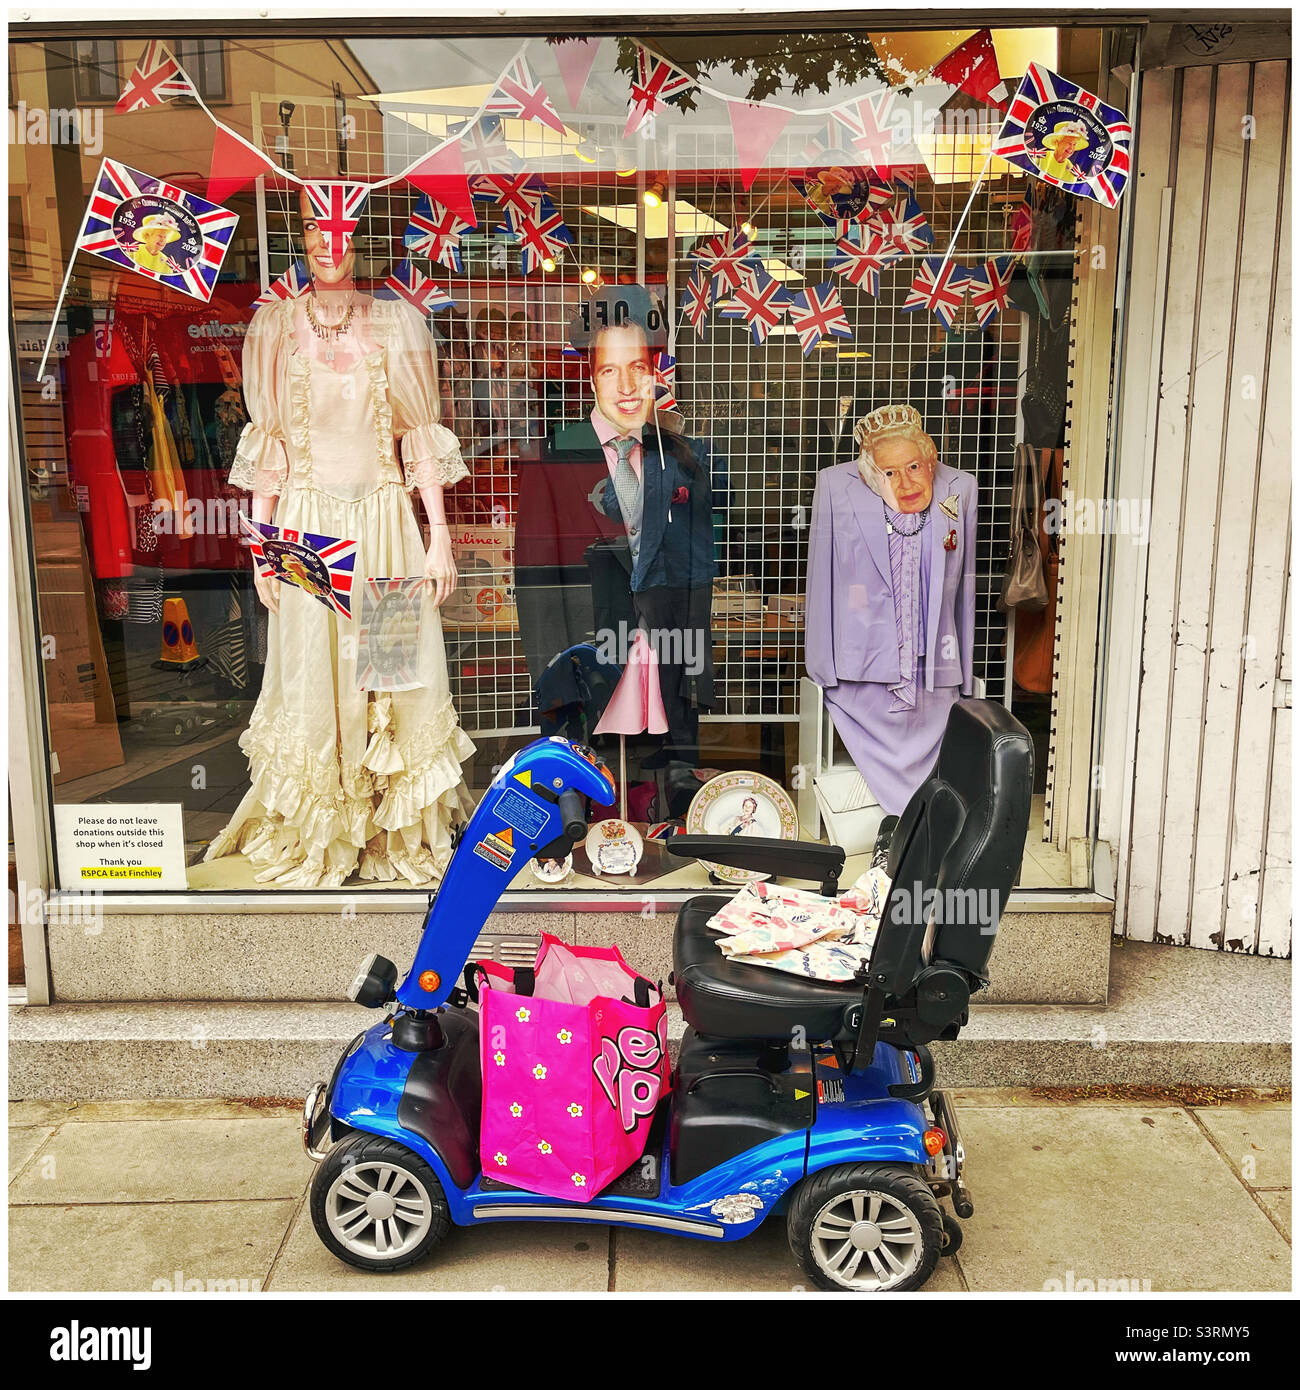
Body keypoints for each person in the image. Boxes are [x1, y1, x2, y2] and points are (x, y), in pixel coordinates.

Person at [205, 191, 474, 888]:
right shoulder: (273, 327)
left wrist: (438, 535)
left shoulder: (397, 324)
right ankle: (322, 834)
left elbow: (417, 434)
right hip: (305, 531)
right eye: (313, 232)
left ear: (359, 239)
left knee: (389, 673)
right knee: (309, 676)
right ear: (301, 239)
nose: (327, 245)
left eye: (341, 231)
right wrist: (263, 542)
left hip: (386, 529)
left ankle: (387, 837)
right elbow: (271, 444)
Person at [804, 403, 976, 815]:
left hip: (932, 670)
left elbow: (963, 586)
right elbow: (821, 577)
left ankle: (915, 827)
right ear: (870, 472)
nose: (905, 482)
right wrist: (821, 669)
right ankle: (898, 824)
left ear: (930, 458)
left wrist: (963, 672)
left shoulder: (962, 488)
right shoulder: (833, 485)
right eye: (889, 473)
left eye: (914, 466)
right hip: (860, 670)